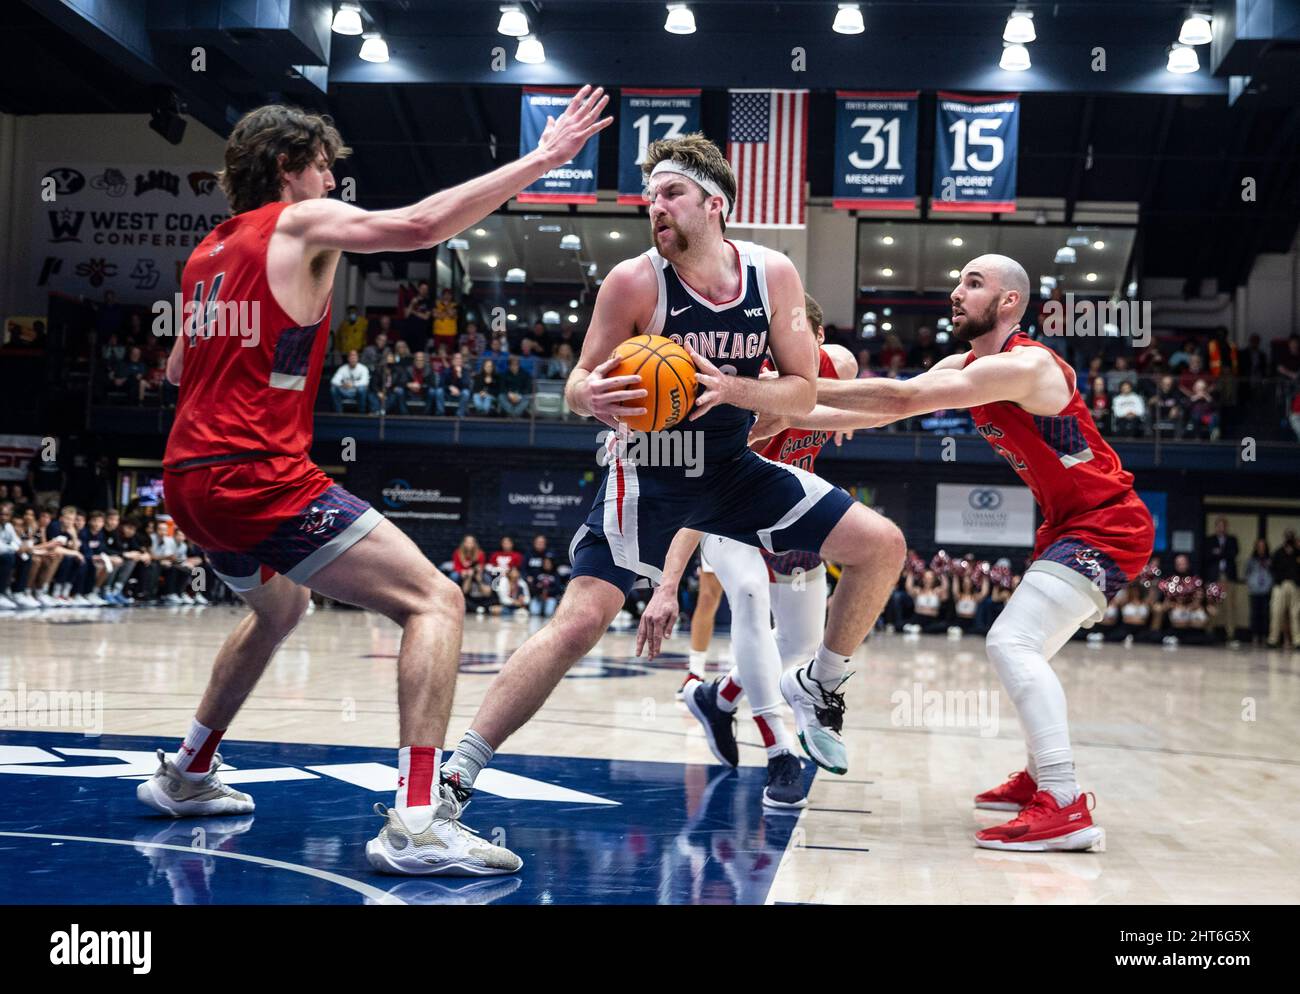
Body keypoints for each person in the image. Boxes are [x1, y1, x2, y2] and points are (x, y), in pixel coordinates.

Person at [140, 89, 612, 876]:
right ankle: (418, 821)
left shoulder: (208, 253)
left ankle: (188, 772)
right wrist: (541, 161)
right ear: (289, 169)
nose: (332, 182)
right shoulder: (298, 221)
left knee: (280, 606)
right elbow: (421, 226)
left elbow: (179, 367)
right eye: (325, 167)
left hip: (188, 480)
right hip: (255, 475)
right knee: (435, 600)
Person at [438, 132, 906, 816]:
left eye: (670, 193)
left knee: (882, 544)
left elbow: (803, 393)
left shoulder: (772, 274)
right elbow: (577, 380)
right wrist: (587, 397)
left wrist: (736, 391)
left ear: (713, 203)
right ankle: (459, 772)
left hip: (733, 468)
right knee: (580, 621)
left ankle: (819, 683)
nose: (654, 206)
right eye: (649, 195)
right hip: (647, 474)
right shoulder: (632, 281)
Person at [772, 253, 1155, 852]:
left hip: (1108, 524)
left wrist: (775, 391)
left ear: (1008, 302)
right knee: (1026, 647)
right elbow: (880, 407)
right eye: (957, 280)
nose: (956, 292)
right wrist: (767, 415)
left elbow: (897, 400)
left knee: (1012, 643)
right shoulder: (967, 362)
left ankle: (1065, 802)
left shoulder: (1027, 366)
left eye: (972, 284)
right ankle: (1038, 778)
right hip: (1067, 526)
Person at [671, 292, 858, 807]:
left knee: (799, 645)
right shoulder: (751, 386)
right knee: (750, 599)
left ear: (816, 341)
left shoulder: (834, 367)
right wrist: (668, 583)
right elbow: (695, 490)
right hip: (727, 512)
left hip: (790, 516)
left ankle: (716, 697)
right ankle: (780, 753)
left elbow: (847, 366)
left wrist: (842, 411)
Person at [1268, 531, 1300, 650]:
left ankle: (1297, 640)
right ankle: (1273, 639)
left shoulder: (1298, 553)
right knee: (1276, 612)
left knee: (1295, 614)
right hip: (1280, 585)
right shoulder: (1278, 552)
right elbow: (1272, 568)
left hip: (1295, 585)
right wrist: (1278, 580)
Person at [1245, 539, 1273, 647]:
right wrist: (1251, 584)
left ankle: (1265, 636)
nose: (1261, 548)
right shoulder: (1251, 560)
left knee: (1265, 614)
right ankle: (1255, 636)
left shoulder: (1270, 560)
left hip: (1266, 590)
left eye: (1263, 546)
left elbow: (1273, 574)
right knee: (1254, 614)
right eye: (1259, 546)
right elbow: (1247, 574)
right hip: (1254, 590)